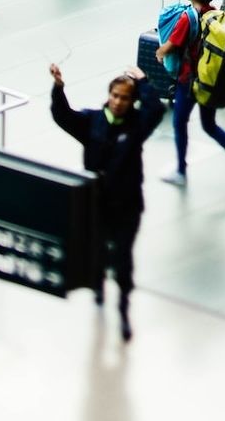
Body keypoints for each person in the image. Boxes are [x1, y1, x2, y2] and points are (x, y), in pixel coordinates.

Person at [48, 60, 168, 340]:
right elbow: (63, 115)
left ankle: (123, 309)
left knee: (124, 259)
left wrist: (143, 82)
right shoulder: (92, 122)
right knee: (98, 252)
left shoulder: (137, 126)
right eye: (115, 96)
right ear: (108, 95)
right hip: (98, 205)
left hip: (127, 206)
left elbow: (156, 110)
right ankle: (99, 287)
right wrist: (58, 87)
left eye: (125, 98)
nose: (118, 102)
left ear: (131, 101)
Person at [149, 0, 225, 192]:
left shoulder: (188, 17)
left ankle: (180, 171)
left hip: (188, 80)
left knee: (179, 123)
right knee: (209, 125)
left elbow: (172, 45)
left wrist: (158, 53)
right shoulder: (213, 13)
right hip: (208, 78)